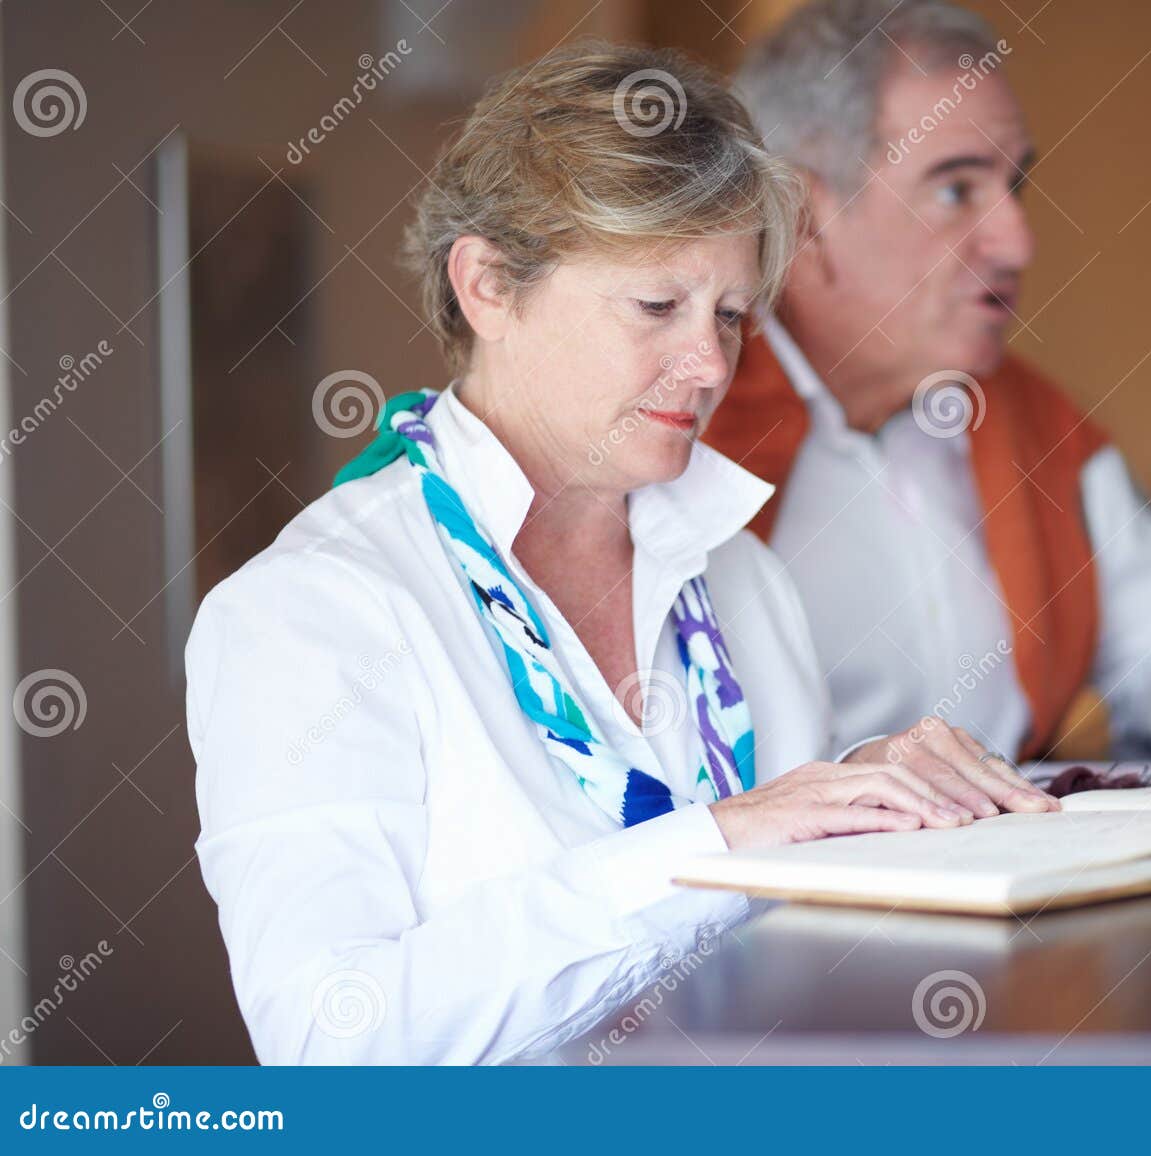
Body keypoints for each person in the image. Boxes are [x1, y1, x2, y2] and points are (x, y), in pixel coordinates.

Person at [184, 43, 1055, 1066]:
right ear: (489, 285)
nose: (709, 366)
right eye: (657, 307)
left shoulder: (742, 578)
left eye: (731, 316)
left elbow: (799, 952)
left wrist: (864, 810)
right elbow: (331, 1038)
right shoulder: (309, 610)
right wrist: (715, 843)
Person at [705, 0, 1151, 768]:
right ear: (799, 212)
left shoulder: (1035, 423)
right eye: (957, 189)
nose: (1018, 241)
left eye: (1015, 187)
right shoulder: (683, 427)